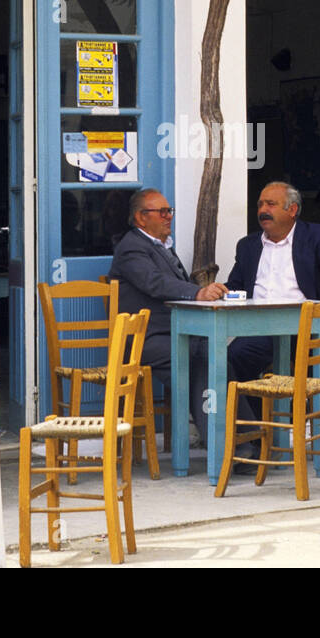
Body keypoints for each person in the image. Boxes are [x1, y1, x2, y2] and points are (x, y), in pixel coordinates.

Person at [107, 188, 228, 445]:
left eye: (169, 211)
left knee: (218, 356)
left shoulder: (159, 246)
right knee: (197, 361)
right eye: (161, 212)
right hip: (145, 338)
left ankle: (240, 440)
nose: (168, 217)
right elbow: (154, 283)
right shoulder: (132, 247)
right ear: (141, 218)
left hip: (169, 333)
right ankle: (221, 444)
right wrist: (198, 293)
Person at [226, 182, 320, 378]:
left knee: (307, 381)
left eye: (270, 204)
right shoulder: (248, 245)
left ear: (292, 209)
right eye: (260, 204)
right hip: (261, 328)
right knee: (234, 357)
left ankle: (303, 406)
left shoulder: (317, 237)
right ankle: (254, 409)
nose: (263, 210)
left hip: (305, 327)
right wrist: (220, 291)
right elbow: (236, 287)